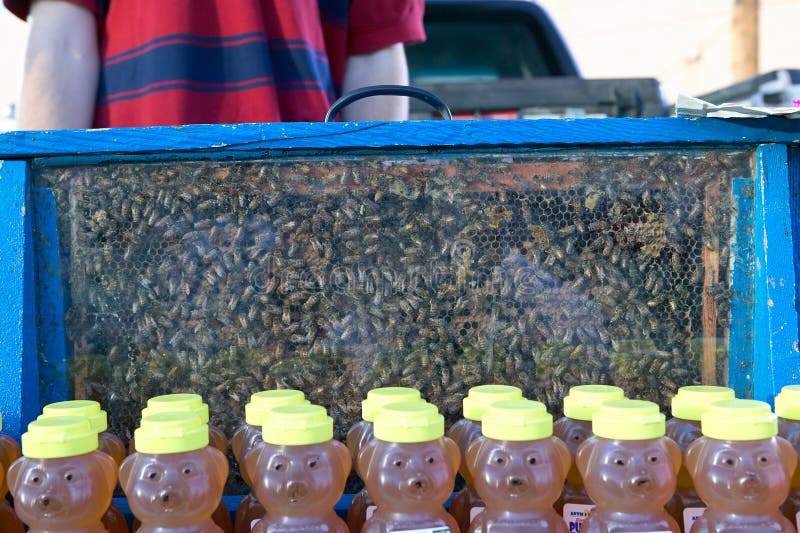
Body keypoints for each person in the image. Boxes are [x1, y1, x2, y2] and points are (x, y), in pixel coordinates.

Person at [6, 0, 425, 129]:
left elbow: (373, 45)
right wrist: (43, 213)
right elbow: (61, 43)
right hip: (130, 201)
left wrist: (376, 205)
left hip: (310, 205)